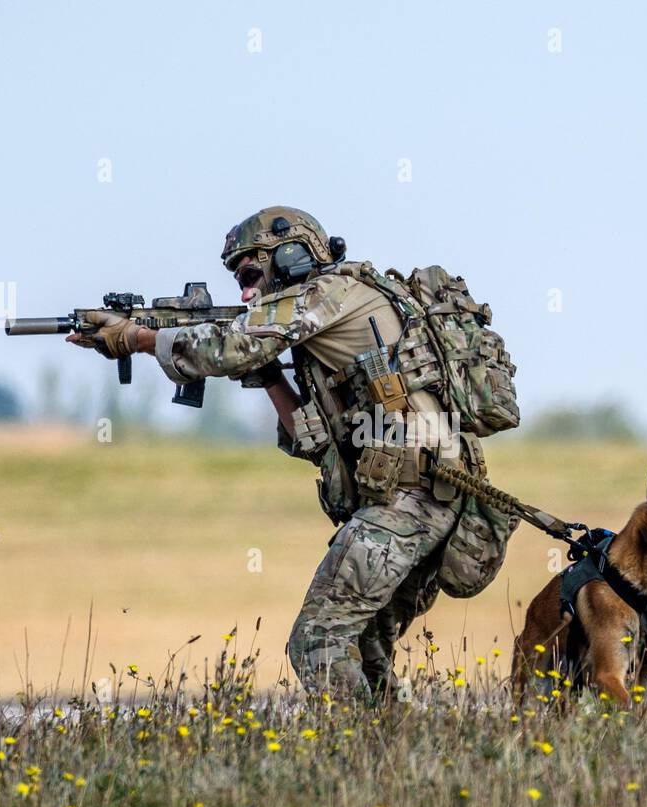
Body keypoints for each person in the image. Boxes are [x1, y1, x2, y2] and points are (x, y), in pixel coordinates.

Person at [68, 206, 515, 702]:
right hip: (432, 498)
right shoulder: (334, 316)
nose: (243, 292)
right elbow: (315, 443)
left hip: (408, 501)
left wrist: (136, 338)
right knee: (365, 645)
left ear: (291, 253)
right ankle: (395, 749)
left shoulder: (330, 293)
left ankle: (358, 750)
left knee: (316, 644)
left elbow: (229, 346)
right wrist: (269, 378)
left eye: (251, 274)